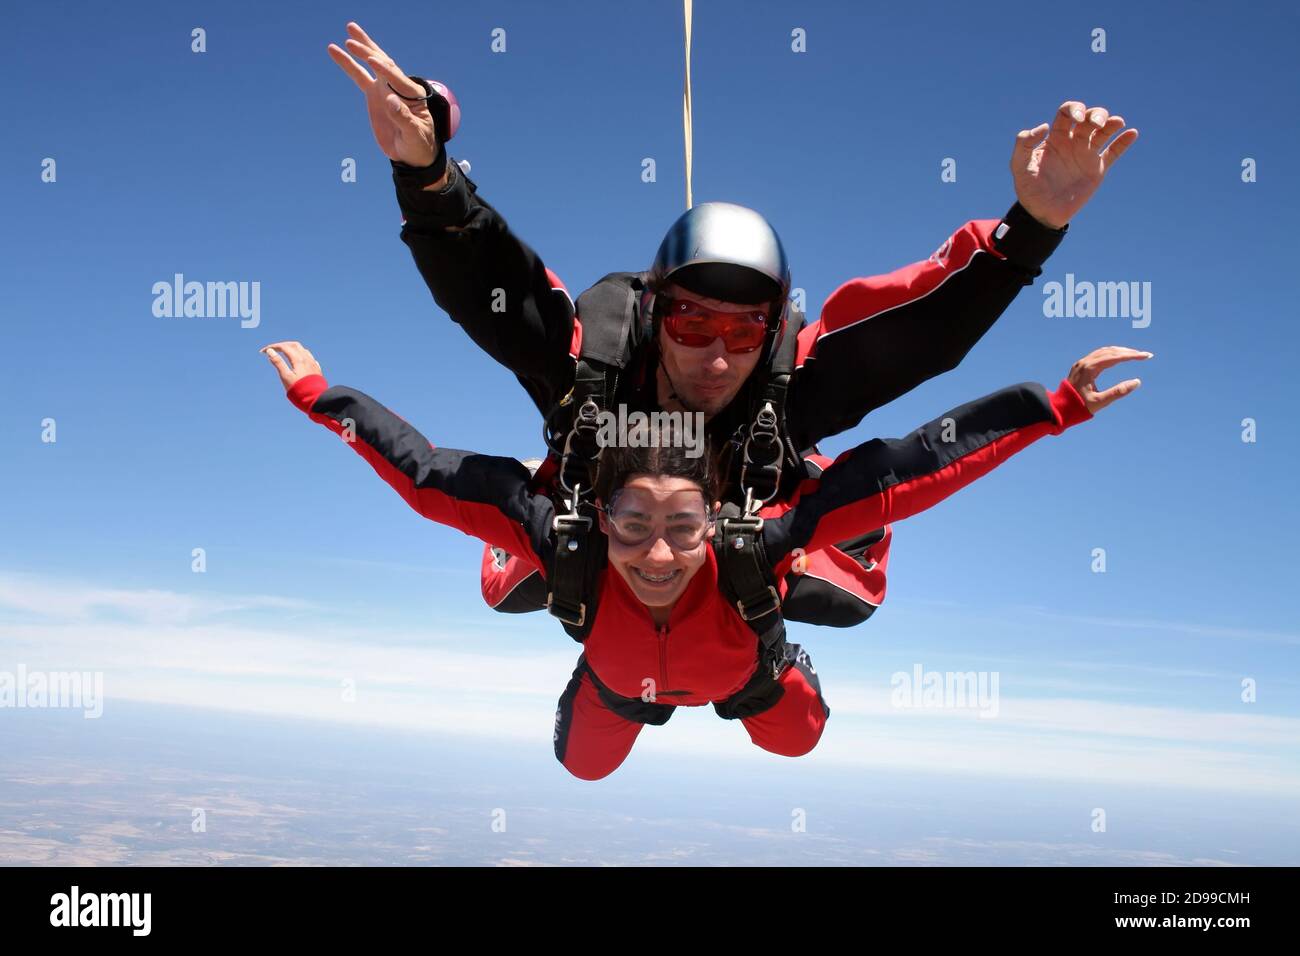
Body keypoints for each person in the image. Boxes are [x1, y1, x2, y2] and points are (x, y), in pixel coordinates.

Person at [326, 22, 1141, 629]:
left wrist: (1031, 228)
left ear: (772, 332)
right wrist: (427, 178)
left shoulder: (788, 392)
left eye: (747, 332)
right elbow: (492, 289)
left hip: (750, 528)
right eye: (690, 320)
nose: (717, 355)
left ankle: (775, 582)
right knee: (522, 586)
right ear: (653, 313)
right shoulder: (595, 365)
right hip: (606, 525)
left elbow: (919, 337)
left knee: (845, 595)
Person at [261, 340, 1149, 780]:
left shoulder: (752, 548)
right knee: (582, 767)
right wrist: (317, 396)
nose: (655, 551)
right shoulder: (561, 542)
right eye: (631, 520)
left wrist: (1050, 406)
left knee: (798, 741)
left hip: (743, 669)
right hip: (619, 680)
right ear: (597, 512)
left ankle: (780, 649)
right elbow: (424, 472)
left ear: (716, 515)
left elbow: (905, 471)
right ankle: (613, 661)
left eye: (683, 525)